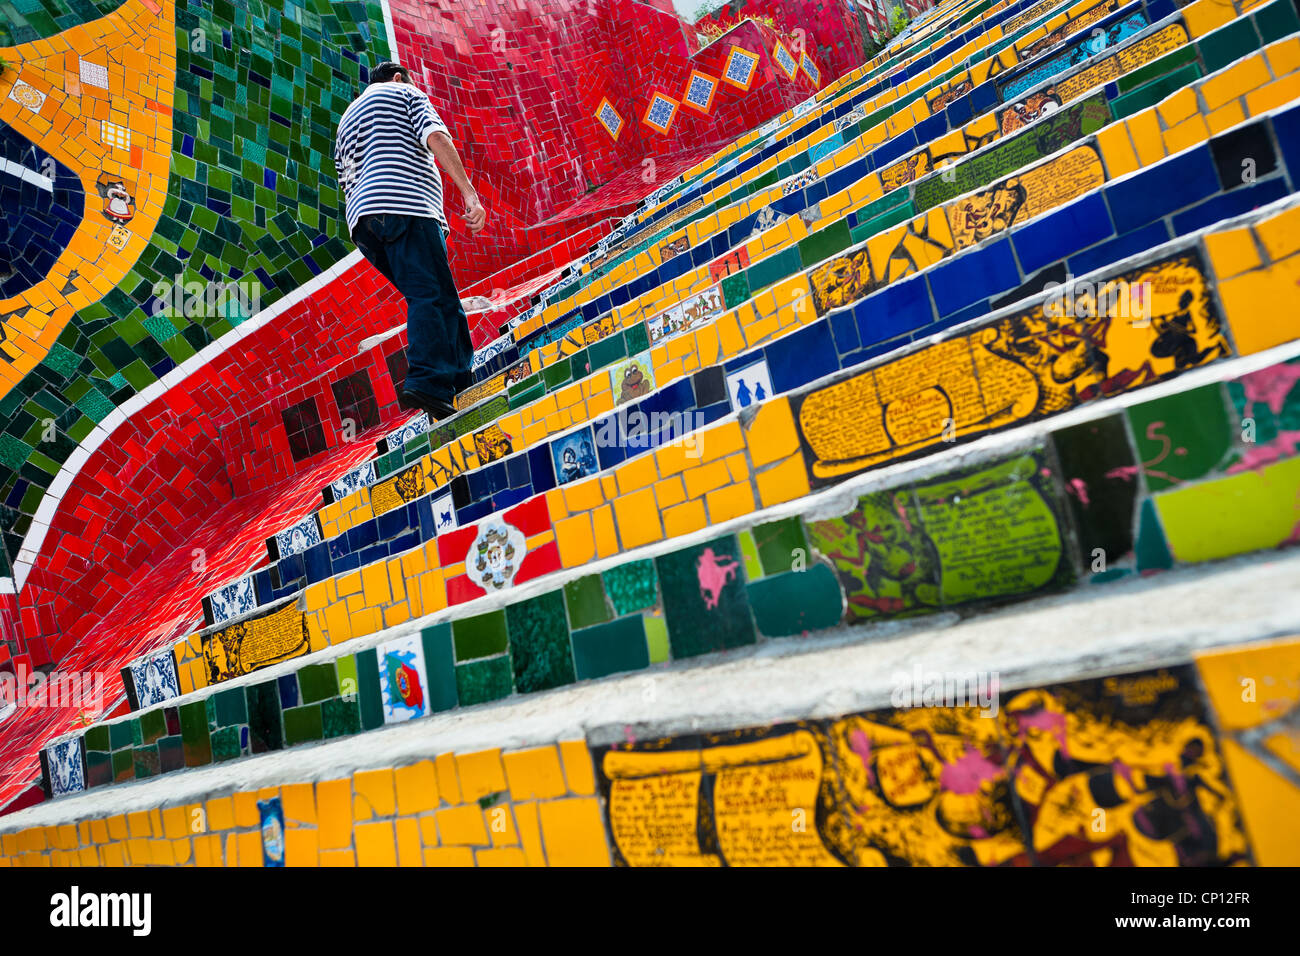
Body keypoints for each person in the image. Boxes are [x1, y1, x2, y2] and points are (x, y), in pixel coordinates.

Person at [334, 60, 486, 421]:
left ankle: (461, 377)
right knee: (428, 295)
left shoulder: (345, 122)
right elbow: (435, 137)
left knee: (438, 294)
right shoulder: (404, 92)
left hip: (366, 224)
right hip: (407, 208)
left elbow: (344, 177)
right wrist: (469, 195)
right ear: (399, 77)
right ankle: (427, 380)